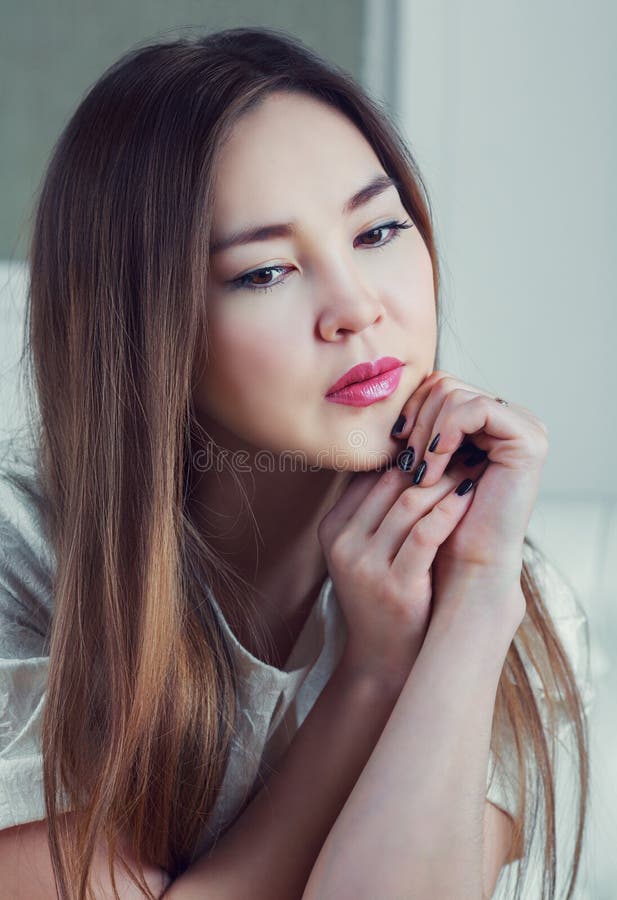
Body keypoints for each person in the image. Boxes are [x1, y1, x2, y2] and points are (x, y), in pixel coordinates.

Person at [0, 25, 592, 900]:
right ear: (143, 331)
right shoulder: (29, 563)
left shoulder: (503, 599)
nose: (356, 307)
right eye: (265, 273)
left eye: (380, 229)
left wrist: (468, 609)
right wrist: (370, 676)